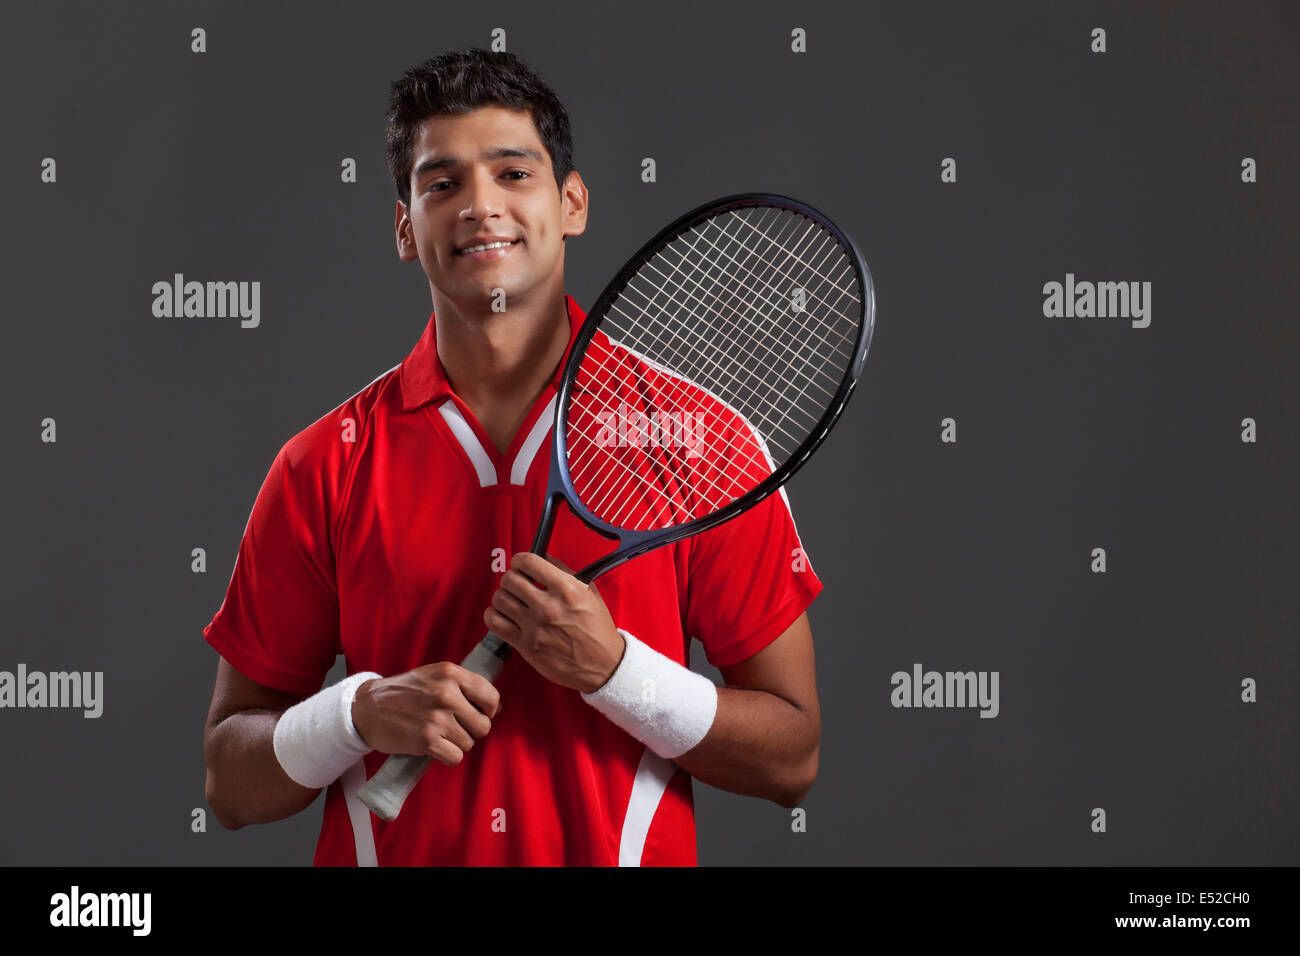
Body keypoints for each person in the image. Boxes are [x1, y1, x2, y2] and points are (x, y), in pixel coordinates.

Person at [201, 47, 824, 866]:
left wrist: (616, 672)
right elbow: (229, 785)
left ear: (572, 203)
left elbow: (793, 760)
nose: (479, 207)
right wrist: (354, 716)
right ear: (403, 226)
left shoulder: (696, 437)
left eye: (513, 173)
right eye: (442, 184)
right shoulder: (324, 463)